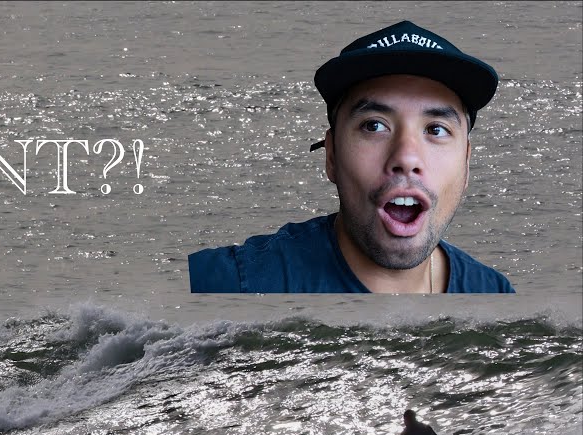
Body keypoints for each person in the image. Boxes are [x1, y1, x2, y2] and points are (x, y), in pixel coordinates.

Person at [188, 20, 514, 293]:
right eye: (374, 125)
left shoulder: (498, 297)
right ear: (331, 156)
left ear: (467, 164)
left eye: (437, 129)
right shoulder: (230, 284)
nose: (406, 157)